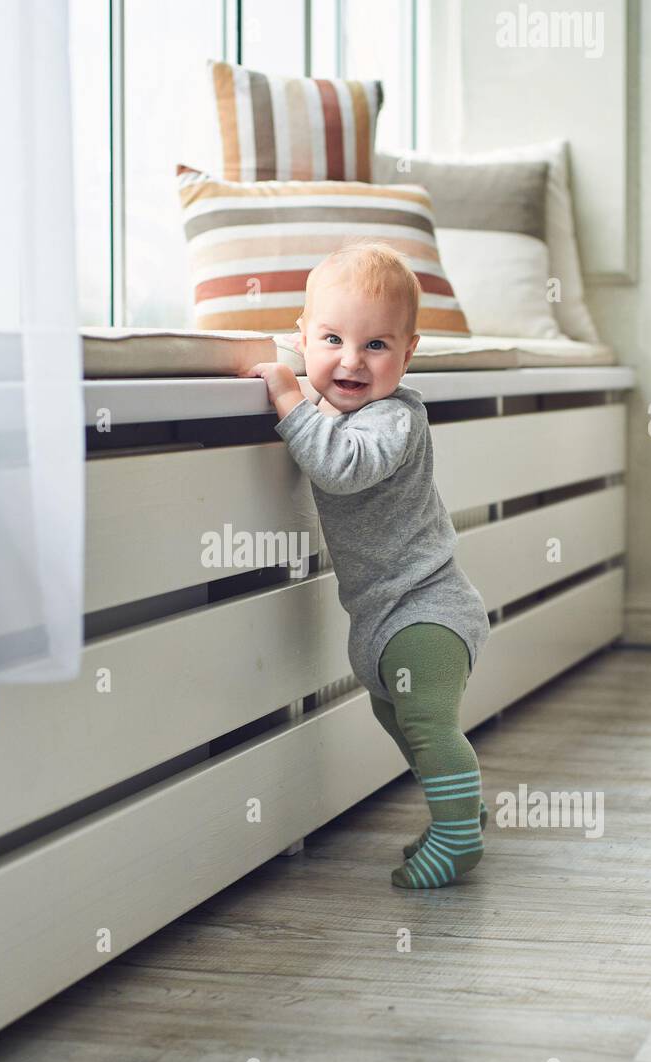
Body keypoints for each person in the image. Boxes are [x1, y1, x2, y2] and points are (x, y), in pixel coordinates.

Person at [246, 241, 491, 888]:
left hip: (426, 612)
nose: (351, 361)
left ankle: (459, 834)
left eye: (377, 346)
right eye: (332, 339)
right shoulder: (342, 408)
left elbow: (341, 466)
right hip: (384, 615)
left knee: (425, 720)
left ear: (407, 354)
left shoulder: (393, 419)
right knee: (398, 716)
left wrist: (289, 399)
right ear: (303, 340)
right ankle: (459, 807)